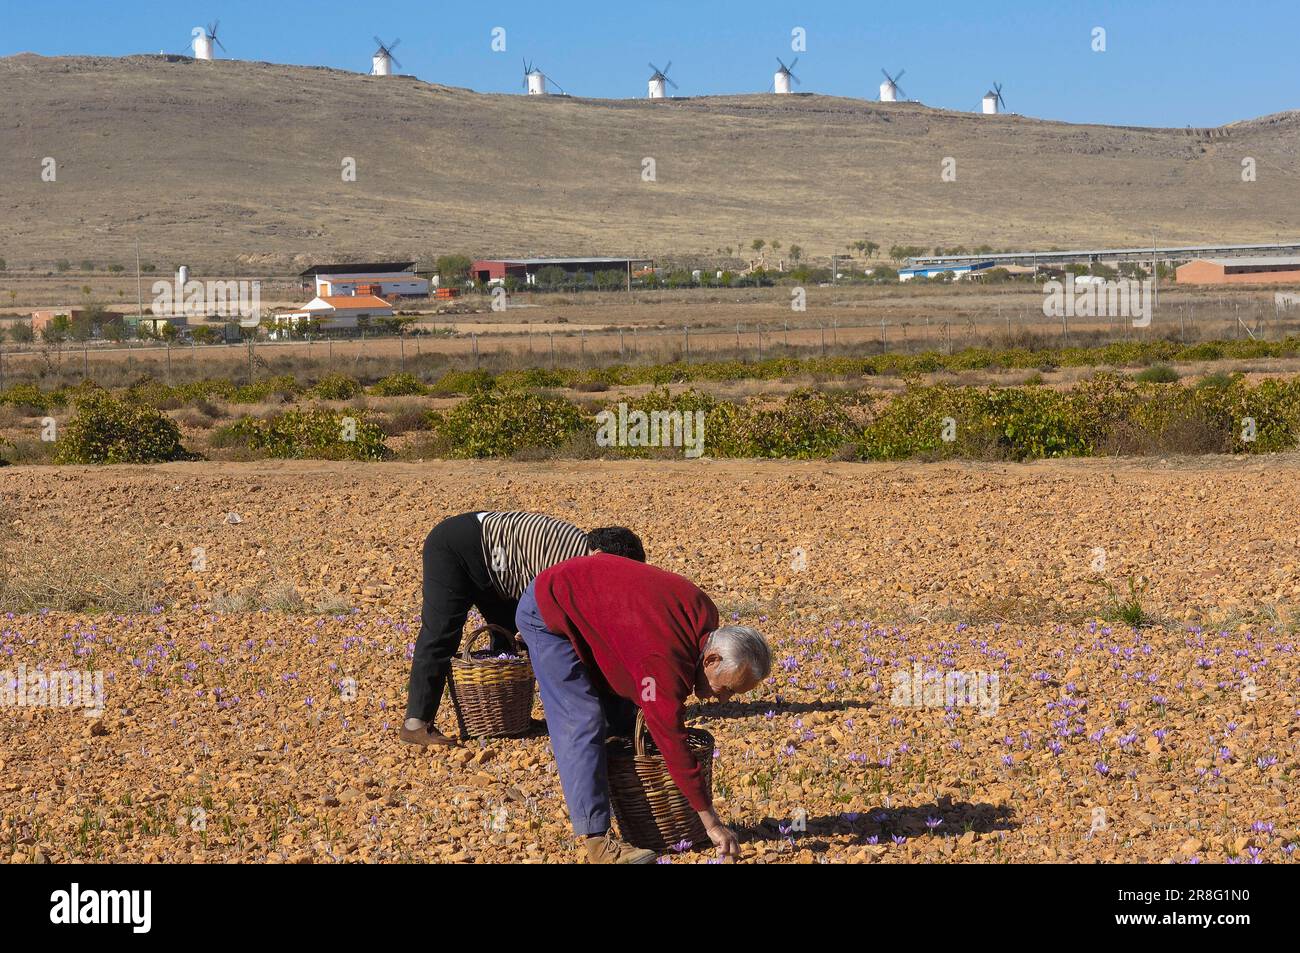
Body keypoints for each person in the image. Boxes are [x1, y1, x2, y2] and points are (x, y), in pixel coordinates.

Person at [517, 552, 771, 864]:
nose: (723, 700)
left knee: (622, 716)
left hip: (588, 599)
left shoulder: (705, 616)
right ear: (711, 659)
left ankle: (631, 817)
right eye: (728, 689)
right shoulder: (663, 659)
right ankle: (598, 842)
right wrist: (712, 823)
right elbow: (670, 740)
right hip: (549, 609)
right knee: (582, 719)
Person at [402, 512, 645, 746]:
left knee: (508, 641)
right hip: (458, 545)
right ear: (600, 556)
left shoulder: (588, 560)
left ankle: (505, 719)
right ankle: (415, 723)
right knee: (442, 631)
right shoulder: (568, 566)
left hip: (499, 562)